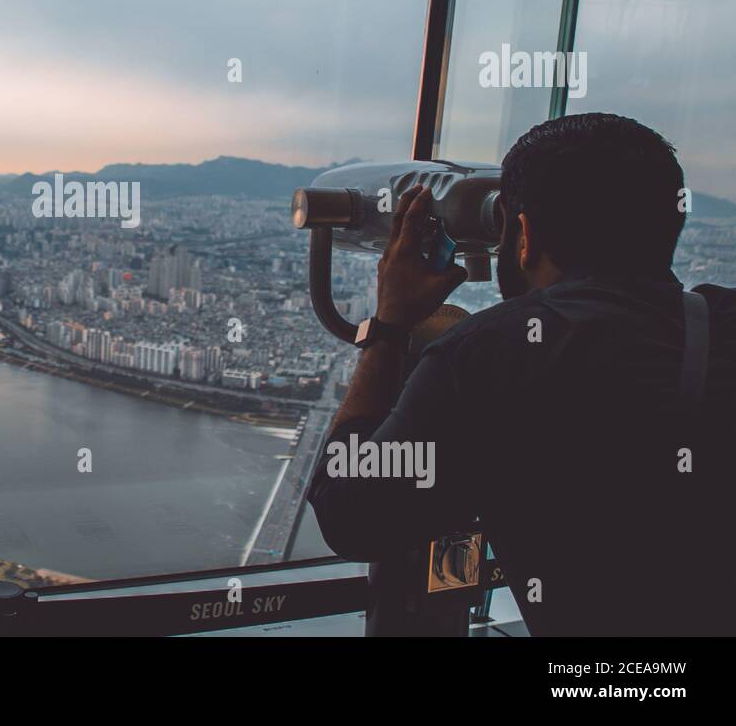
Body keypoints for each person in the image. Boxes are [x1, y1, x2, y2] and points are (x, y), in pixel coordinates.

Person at [307, 113, 735, 635]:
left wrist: (390, 326)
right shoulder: (723, 322)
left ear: (523, 233)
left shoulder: (494, 354)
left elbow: (351, 515)